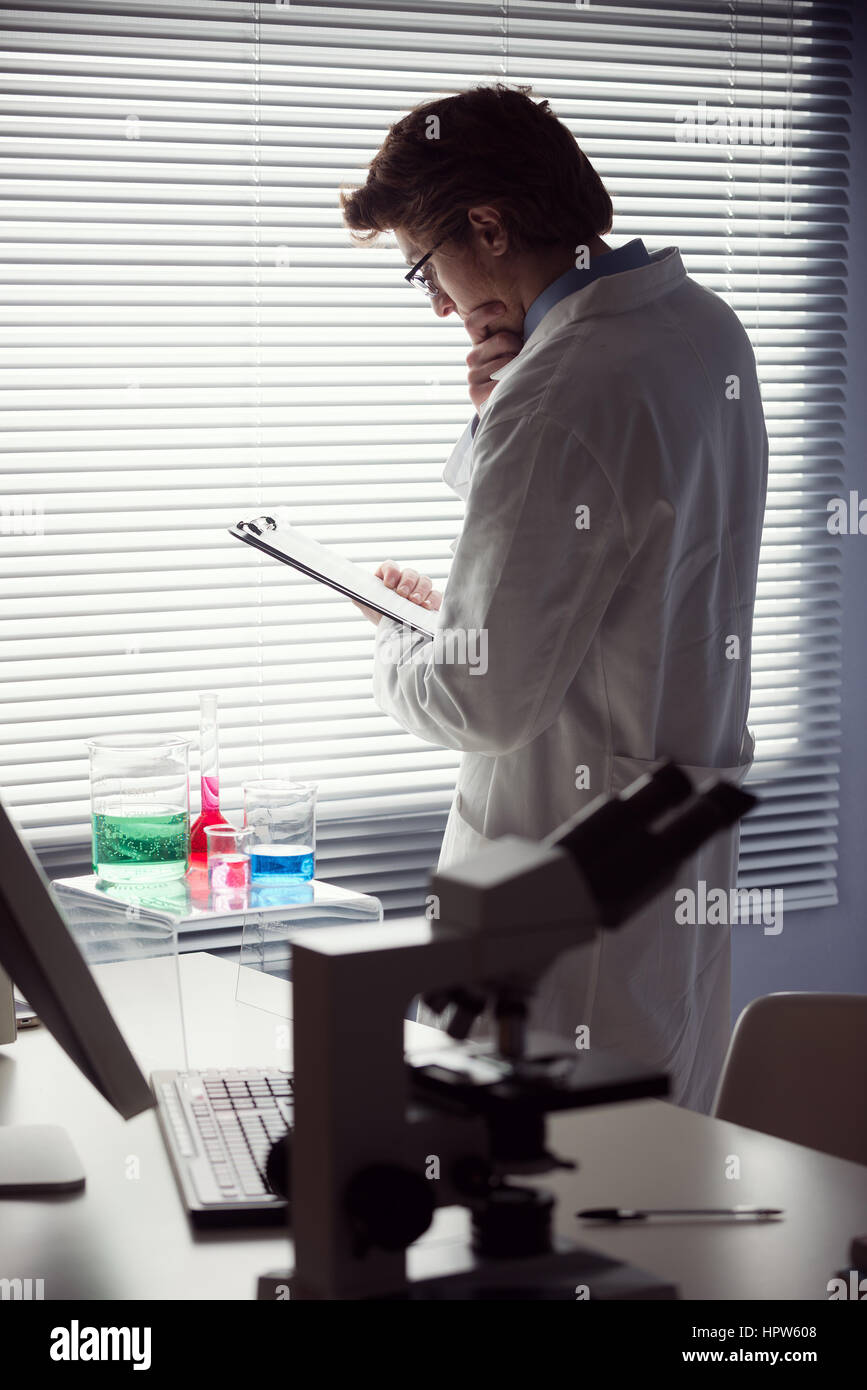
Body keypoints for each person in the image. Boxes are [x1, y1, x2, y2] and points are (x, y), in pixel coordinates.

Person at [340, 85, 768, 1114]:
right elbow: (627, 583)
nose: (440, 304)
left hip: (560, 894)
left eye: (423, 267)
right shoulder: (704, 326)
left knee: (544, 1211)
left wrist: (397, 648)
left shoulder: (565, 382)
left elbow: (485, 703)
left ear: (486, 225)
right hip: (665, 860)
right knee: (662, 1199)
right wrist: (460, 608)